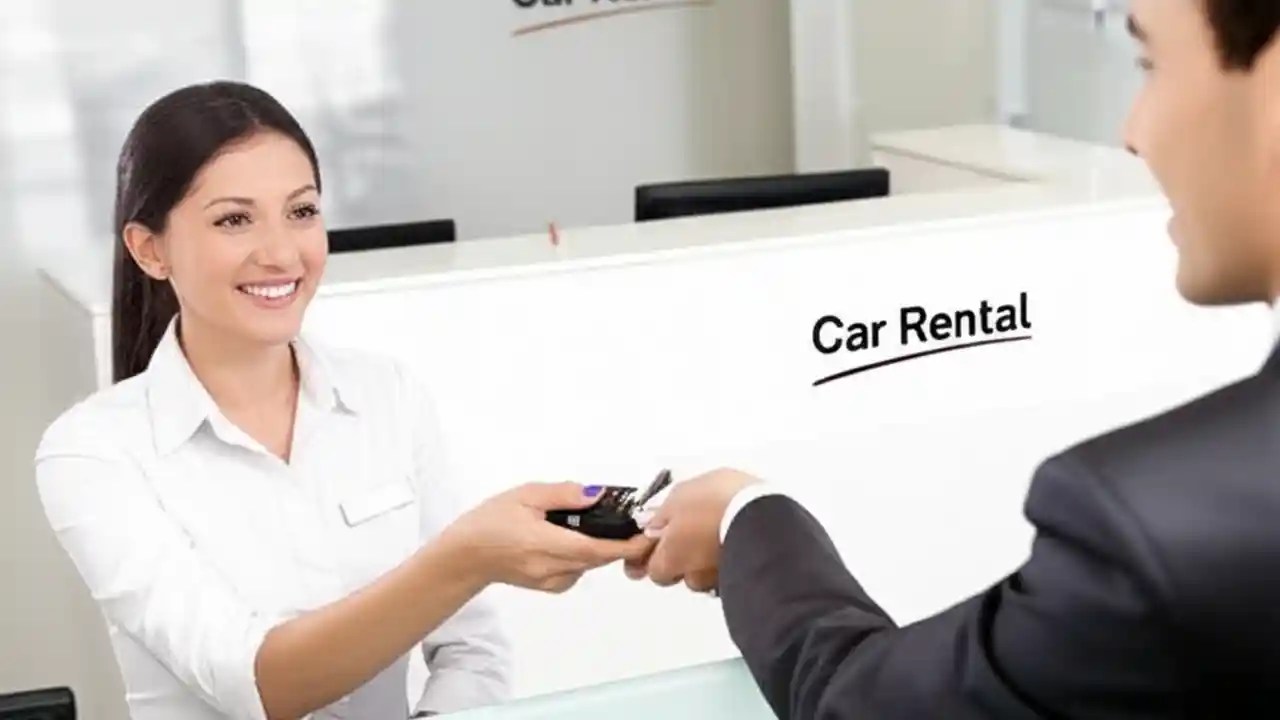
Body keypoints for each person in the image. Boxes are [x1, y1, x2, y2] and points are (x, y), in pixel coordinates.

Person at [627, 0, 1280, 717]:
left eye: (1152, 65)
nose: (1132, 134)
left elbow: (862, 703)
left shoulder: (1147, 531)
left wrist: (746, 519)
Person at [34, 81, 648, 720]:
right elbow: (257, 685)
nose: (280, 253)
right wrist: (469, 556)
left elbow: (471, 649)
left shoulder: (389, 395)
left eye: (301, 211)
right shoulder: (91, 453)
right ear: (149, 249)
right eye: (234, 220)